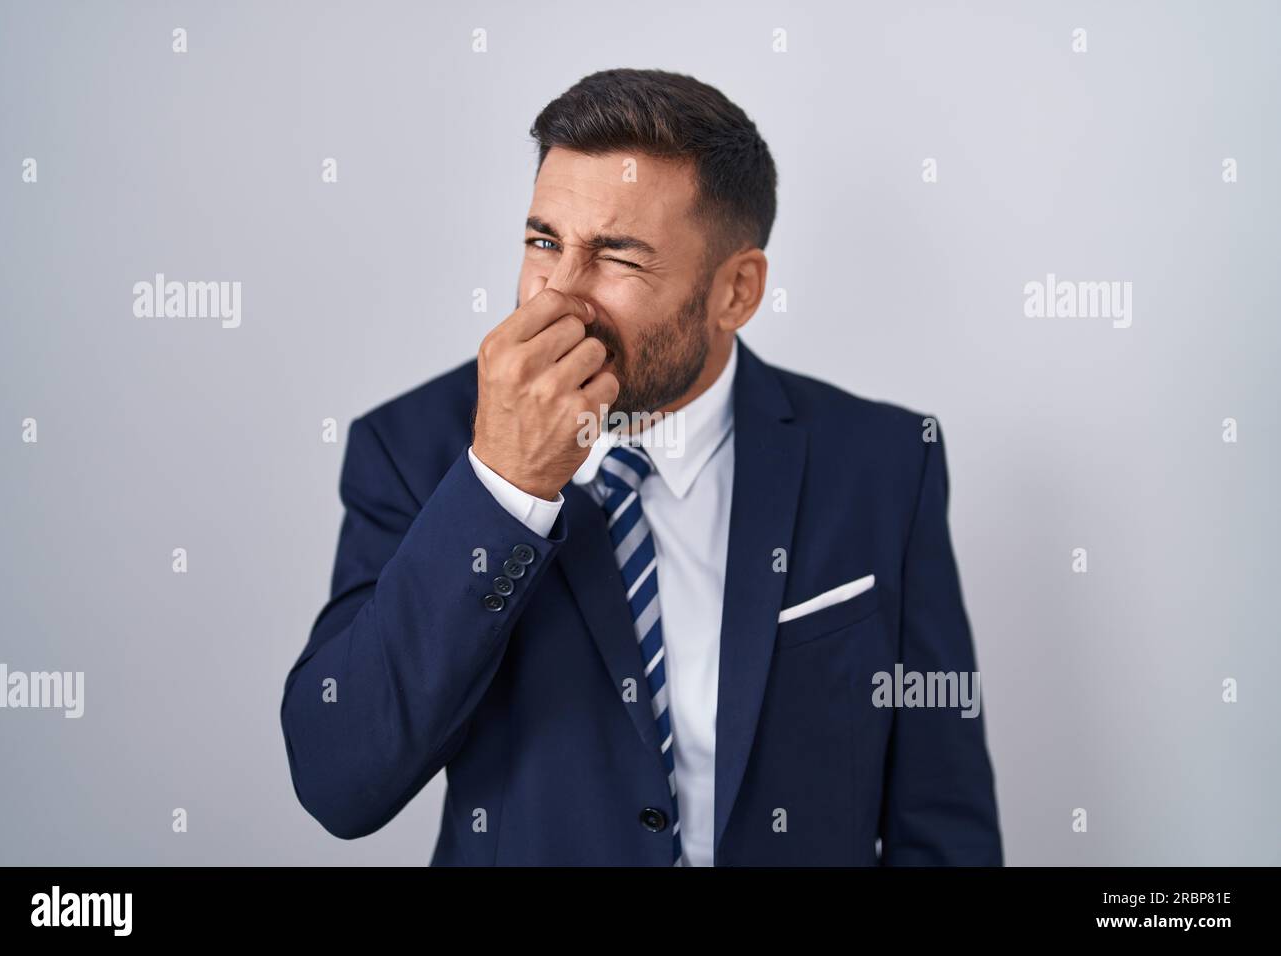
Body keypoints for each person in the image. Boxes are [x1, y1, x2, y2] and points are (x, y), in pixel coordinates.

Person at [280, 68, 1003, 866]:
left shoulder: (883, 464)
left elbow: (943, 819)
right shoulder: (412, 449)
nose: (558, 294)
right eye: (544, 241)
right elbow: (338, 780)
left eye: (616, 257)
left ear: (736, 291)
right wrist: (505, 485)